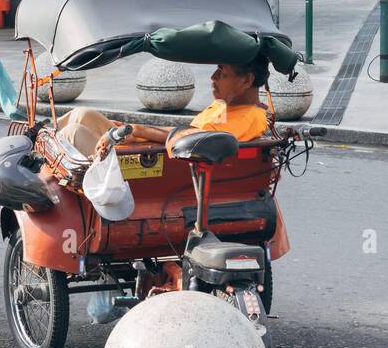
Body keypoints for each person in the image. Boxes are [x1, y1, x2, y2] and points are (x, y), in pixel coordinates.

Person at [57, 57, 290, 259]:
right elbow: (189, 131)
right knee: (82, 114)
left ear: (247, 80)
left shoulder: (248, 118)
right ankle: (43, 135)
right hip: (165, 164)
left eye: (223, 72)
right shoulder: (225, 108)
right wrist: (138, 132)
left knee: (72, 134)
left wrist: (141, 132)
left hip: (152, 179)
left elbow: (198, 139)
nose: (213, 77)